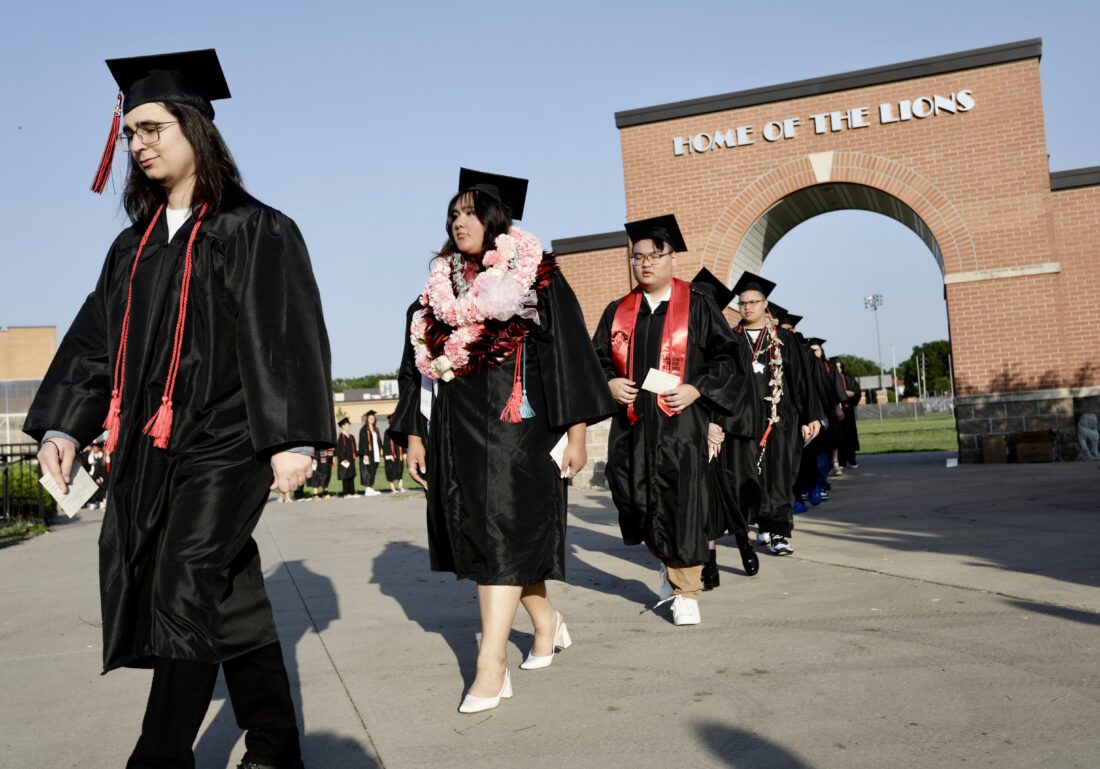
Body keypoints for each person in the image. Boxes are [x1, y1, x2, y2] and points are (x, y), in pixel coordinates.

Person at [25, 49, 333, 769]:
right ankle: (275, 747)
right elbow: (95, 341)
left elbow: (284, 332)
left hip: (232, 439)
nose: (139, 144)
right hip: (155, 447)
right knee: (225, 586)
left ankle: (159, 755)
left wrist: (292, 439)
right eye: (130, 131)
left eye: (154, 128)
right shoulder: (131, 248)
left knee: (185, 576)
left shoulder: (255, 228)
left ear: (195, 128)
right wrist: (65, 424)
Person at [389, 169, 615, 714]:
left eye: (470, 213)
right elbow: (418, 363)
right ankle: (547, 621)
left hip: (521, 430)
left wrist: (577, 433)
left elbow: (567, 354)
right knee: (490, 537)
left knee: (503, 532)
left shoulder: (536, 277)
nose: (458, 222)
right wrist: (415, 434)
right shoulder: (440, 288)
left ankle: (491, 663)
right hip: (459, 431)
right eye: (453, 214)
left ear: (495, 220)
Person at [592, 215, 742, 627]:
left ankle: (686, 589)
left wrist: (697, 388)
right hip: (633, 428)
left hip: (681, 427)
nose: (644, 264)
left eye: (654, 256)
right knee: (636, 501)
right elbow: (595, 361)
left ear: (672, 258)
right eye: (637, 257)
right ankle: (667, 560)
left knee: (682, 504)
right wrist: (609, 383)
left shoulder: (697, 305)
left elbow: (728, 359)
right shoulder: (618, 312)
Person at [722, 276, 821, 557]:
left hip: (780, 420)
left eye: (753, 302)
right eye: (742, 303)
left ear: (765, 304)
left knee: (778, 476)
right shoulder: (731, 339)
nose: (747, 307)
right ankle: (759, 523)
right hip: (743, 422)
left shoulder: (784, 339)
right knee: (747, 477)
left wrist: (810, 416)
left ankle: (779, 532)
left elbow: (800, 379)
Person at [833, 358, 862, 468]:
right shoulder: (830, 379)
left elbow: (857, 392)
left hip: (848, 410)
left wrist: (852, 394)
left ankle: (852, 459)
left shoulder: (849, 378)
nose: (838, 369)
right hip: (836, 411)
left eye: (839, 367)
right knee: (839, 436)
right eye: (836, 367)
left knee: (850, 435)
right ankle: (841, 461)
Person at [358, 411, 383, 496]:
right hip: (368, 454)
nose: (371, 419)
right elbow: (363, 442)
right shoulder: (364, 430)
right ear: (367, 419)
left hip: (375, 453)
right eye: (370, 418)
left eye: (373, 418)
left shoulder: (376, 429)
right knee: (367, 470)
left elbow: (379, 441)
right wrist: (365, 454)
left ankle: (370, 488)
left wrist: (381, 450)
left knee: (373, 470)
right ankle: (367, 489)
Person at [382, 414, 406, 493]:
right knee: (391, 471)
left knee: (400, 470)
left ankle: (400, 487)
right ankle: (392, 488)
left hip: (399, 454)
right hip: (392, 455)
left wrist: (404, 452)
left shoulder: (400, 431)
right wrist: (389, 454)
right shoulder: (387, 432)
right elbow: (386, 444)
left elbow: (403, 442)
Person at [335, 417, 358, 497]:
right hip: (344, 460)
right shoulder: (341, 437)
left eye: (349, 424)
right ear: (342, 426)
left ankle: (352, 492)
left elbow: (354, 448)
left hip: (351, 459)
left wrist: (355, 456)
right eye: (347, 424)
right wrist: (343, 459)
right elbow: (339, 450)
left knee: (351, 475)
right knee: (345, 475)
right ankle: (346, 493)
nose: (348, 426)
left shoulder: (351, 437)